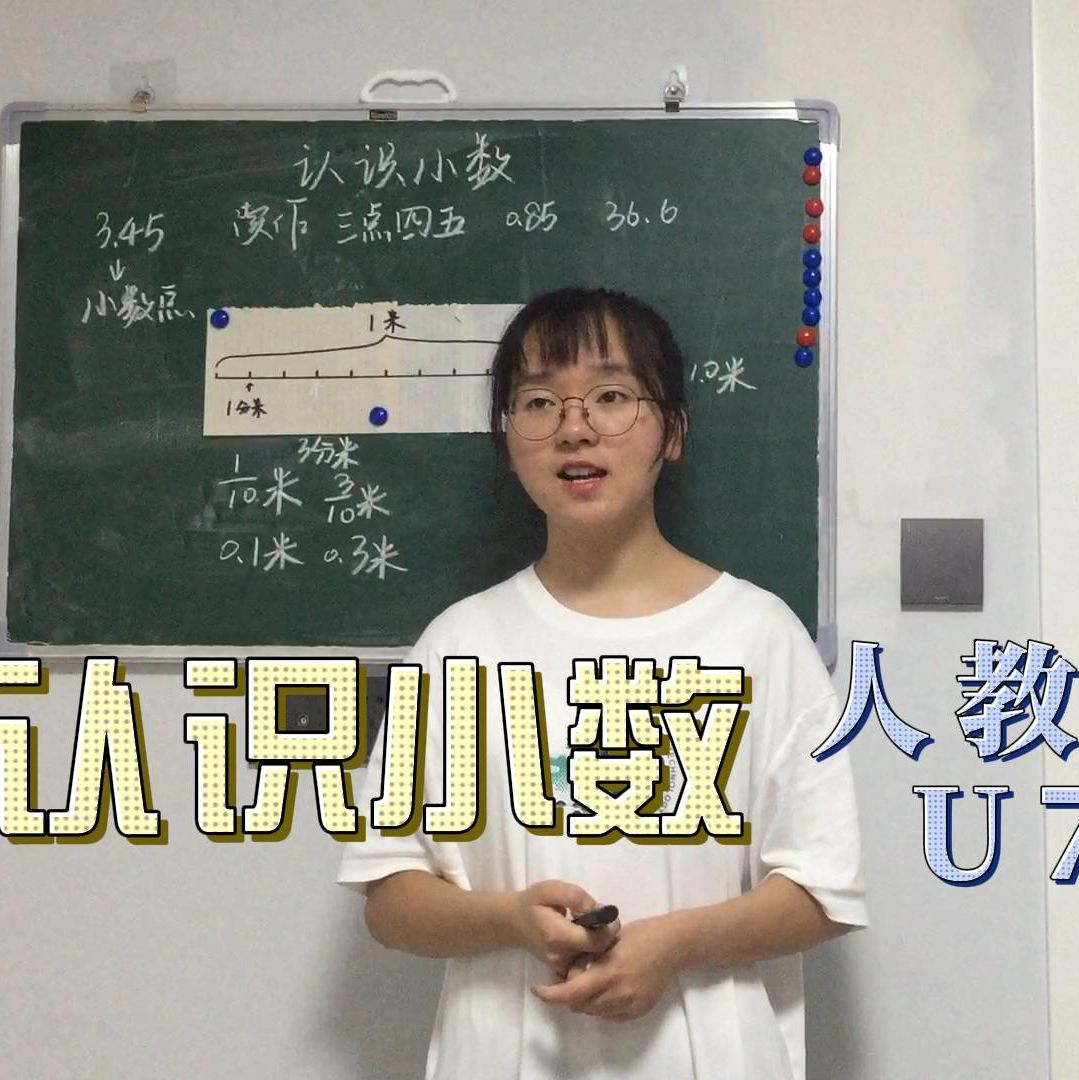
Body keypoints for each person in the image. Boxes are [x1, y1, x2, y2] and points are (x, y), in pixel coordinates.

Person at [337, 287, 867, 1080]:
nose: (574, 428)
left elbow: (823, 893)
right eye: (538, 402)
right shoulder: (456, 647)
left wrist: (675, 944)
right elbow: (388, 899)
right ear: (508, 437)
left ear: (673, 431)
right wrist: (510, 919)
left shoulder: (759, 637)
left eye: (612, 397)